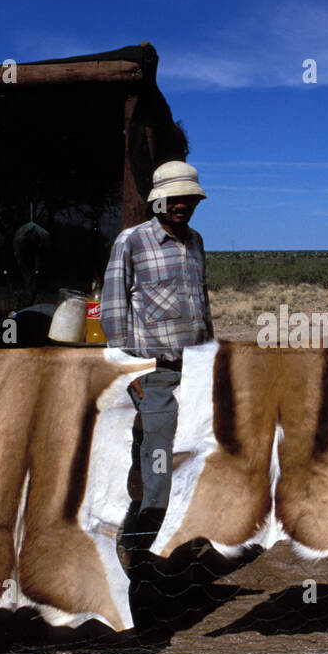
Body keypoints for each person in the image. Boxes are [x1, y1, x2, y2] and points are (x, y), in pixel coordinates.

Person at [101, 161, 214, 532]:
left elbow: (203, 304)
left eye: (189, 198)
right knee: (160, 453)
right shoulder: (131, 241)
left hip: (195, 370)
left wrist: (211, 357)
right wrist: (128, 374)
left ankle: (186, 530)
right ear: (158, 201)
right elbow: (114, 309)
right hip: (155, 374)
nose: (182, 205)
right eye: (174, 198)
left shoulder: (195, 242)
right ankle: (151, 536)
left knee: (198, 449)